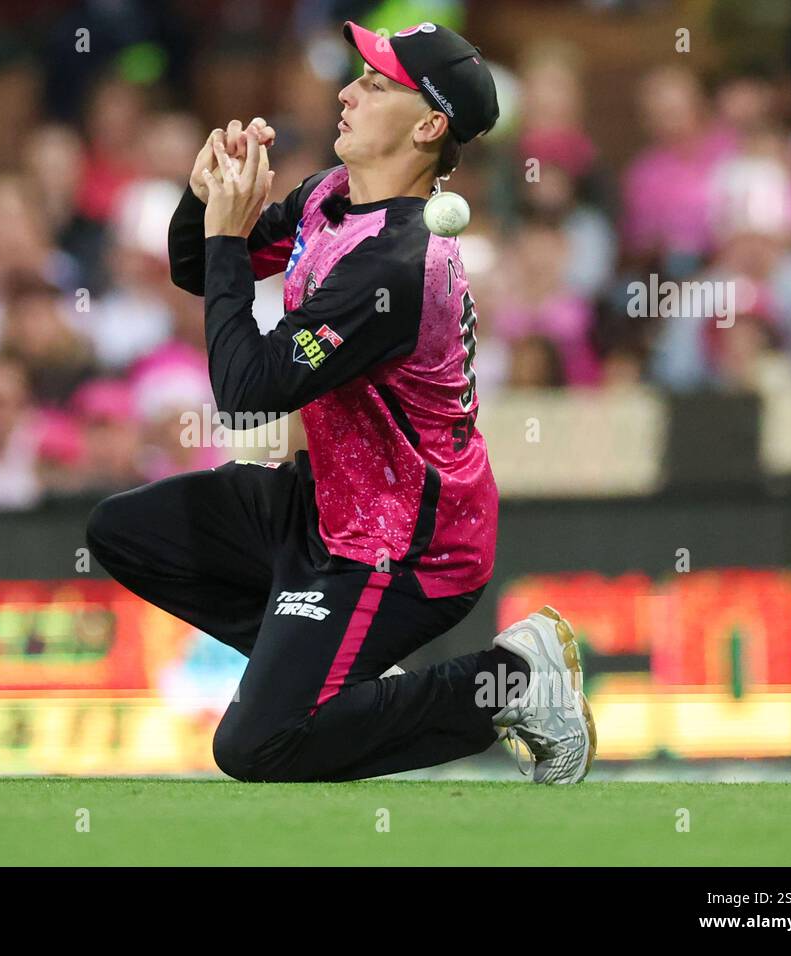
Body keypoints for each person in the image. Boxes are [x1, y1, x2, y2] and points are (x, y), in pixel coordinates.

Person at [87, 21, 595, 783]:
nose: (348, 91)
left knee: (255, 748)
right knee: (123, 532)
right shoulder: (333, 195)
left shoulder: (396, 265)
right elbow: (202, 269)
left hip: (408, 544)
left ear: (428, 125)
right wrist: (206, 200)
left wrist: (226, 240)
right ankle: (320, 677)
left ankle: (511, 684)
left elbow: (248, 395)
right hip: (322, 506)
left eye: (378, 84)